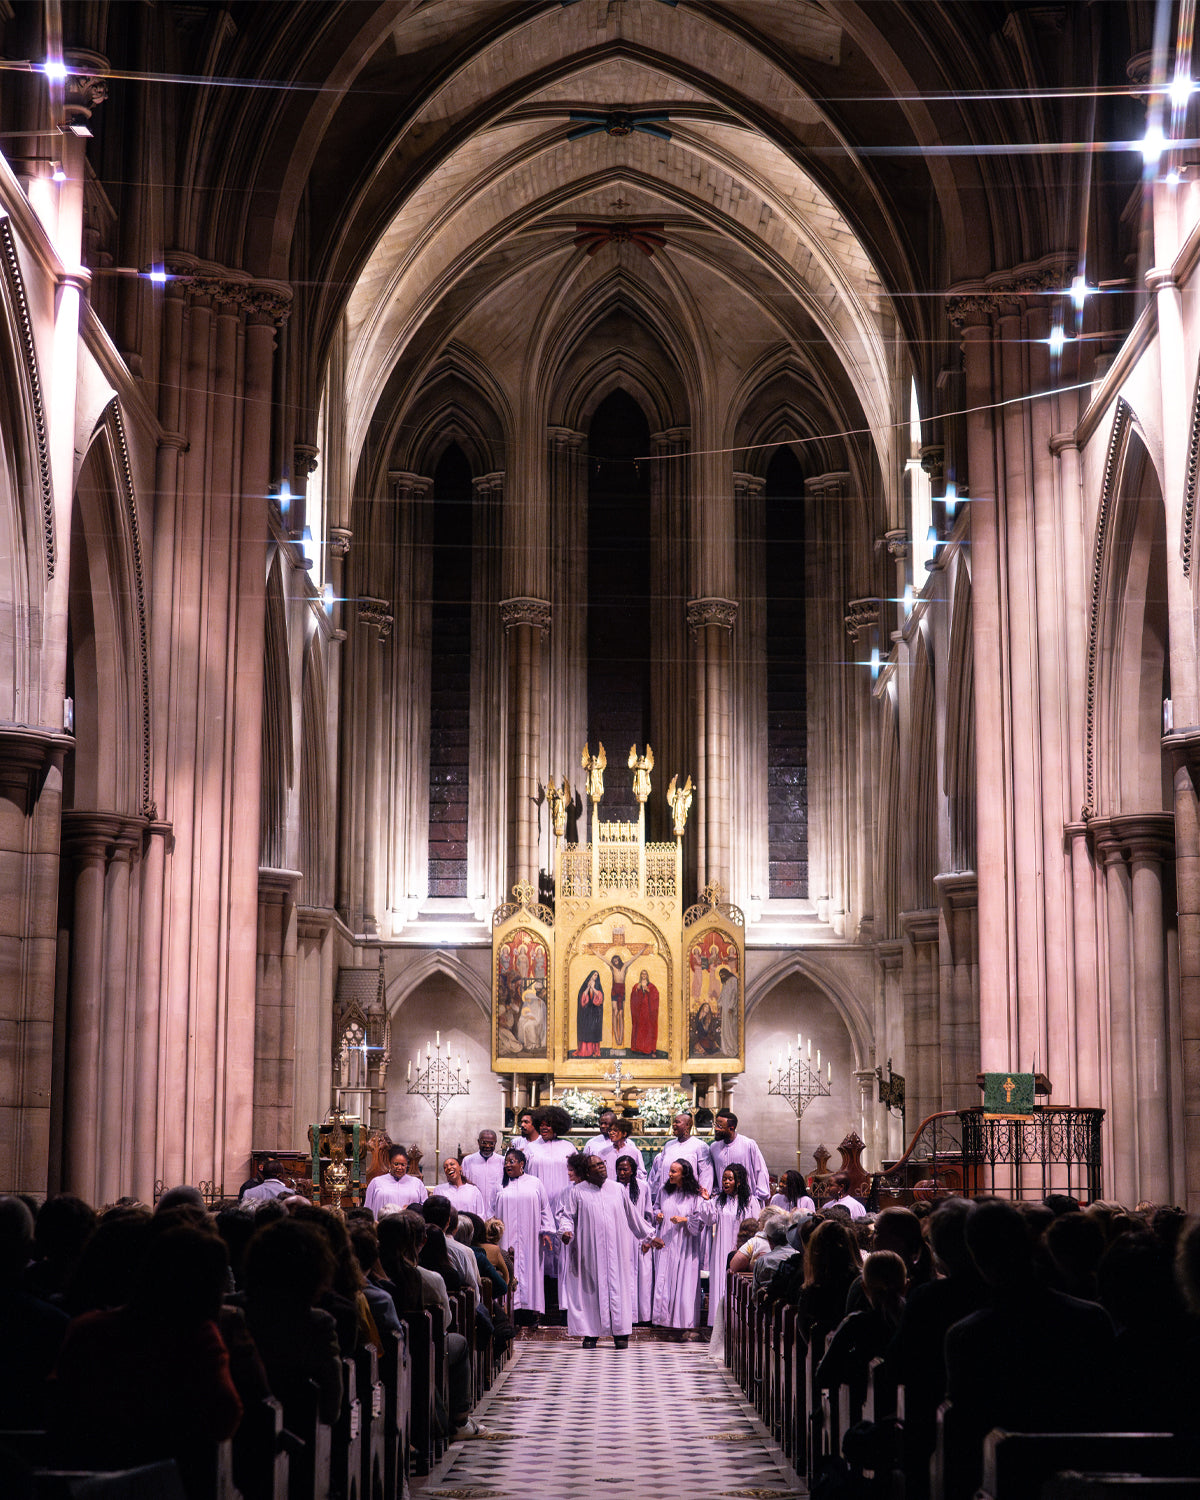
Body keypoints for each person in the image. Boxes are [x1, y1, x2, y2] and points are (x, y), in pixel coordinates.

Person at [557, 1155, 653, 1349]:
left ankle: (621, 1333)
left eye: (602, 1164)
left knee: (618, 1287)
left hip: (617, 1251)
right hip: (589, 1252)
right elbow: (566, 1216)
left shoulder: (617, 1189)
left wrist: (649, 1236)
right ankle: (591, 1333)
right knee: (590, 1290)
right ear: (587, 1172)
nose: (601, 1168)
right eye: (596, 1166)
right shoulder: (577, 1191)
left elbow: (633, 1216)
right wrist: (565, 1231)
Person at [693, 1163, 762, 1329]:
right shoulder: (719, 1201)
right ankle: (719, 1323)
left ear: (739, 1181)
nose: (726, 1182)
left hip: (744, 1249)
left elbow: (757, 1225)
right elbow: (708, 1219)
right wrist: (706, 1200)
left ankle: (739, 1324)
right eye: (724, 1178)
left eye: (730, 1179)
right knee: (721, 1283)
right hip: (722, 1250)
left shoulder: (750, 1201)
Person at [648, 1159, 706, 1331]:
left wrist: (685, 1219)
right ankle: (662, 1320)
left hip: (685, 1245)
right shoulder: (664, 1190)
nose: (670, 1174)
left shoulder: (694, 1195)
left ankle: (682, 1322)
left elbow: (700, 1219)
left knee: (683, 1280)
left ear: (684, 1174)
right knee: (664, 1279)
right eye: (670, 1171)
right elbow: (656, 1207)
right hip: (666, 1241)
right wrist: (658, 1215)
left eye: (674, 1172)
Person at [498, 1148, 555, 1321]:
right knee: (508, 1268)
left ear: (522, 1164)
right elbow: (492, 1211)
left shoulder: (535, 1183)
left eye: (511, 1161)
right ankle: (509, 1310)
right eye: (506, 1162)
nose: (508, 1165)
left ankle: (530, 1311)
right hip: (506, 1237)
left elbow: (545, 1208)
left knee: (530, 1270)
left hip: (530, 1237)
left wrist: (546, 1231)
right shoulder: (500, 1185)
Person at [525, 1105, 576, 1289]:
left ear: (558, 1126)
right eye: (542, 1124)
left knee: (563, 1245)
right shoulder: (531, 1148)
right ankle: (543, 1289)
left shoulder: (568, 1147)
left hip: (564, 1203)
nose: (544, 1128)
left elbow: (576, 1175)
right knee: (541, 1246)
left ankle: (562, 1289)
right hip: (539, 1204)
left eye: (548, 1124)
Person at [614, 1155, 655, 1324]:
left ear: (633, 1170)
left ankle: (642, 1317)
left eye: (625, 1169)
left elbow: (648, 1214)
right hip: (619, 1237)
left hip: (639, 1238)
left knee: (642, 1278)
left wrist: (647, 1240)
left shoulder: (643, 1187)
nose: (622, 1173)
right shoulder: (613, 1188)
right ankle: (622, 1315)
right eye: (619, 1169)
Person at [648, 1112, 713, 1205]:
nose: (673, 1124)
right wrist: (654, 1195)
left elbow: (706, 1174)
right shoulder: (668, 1145)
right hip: (667, 1196)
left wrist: (702, 1199)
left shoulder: (699, 1146)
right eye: (674, 1122)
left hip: (689, 1197)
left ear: (687, 1125)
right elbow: (659, 1171)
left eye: (677, 1122)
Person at [708, 1111, 769, 1202]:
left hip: (747, 1200)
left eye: (720, 1126)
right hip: (724, 1201)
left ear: (731, 1128)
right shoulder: (714, 1147)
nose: (716, 1129)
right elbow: (713, 1176)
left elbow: (760, 1170)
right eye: (715, 1125)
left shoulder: (748, 1144)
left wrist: (760, 1197)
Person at [364, 1145, 428, 1218]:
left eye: (403, 1165)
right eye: (396, 1164)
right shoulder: (376, 1182)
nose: (400, 1168)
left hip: (408, 1222)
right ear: (389, 1164)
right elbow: (367, 1207)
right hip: (383, 1222)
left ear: (407, 1165)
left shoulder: (417, 1183)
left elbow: (424, 1207)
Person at [462, 1130, 505, 1217]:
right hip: (474, 1207)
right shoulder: (468, 1160)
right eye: (484, 1143)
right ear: (478, 1142)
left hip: (495, 1208)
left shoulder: (502, 1161)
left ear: (495, 1143)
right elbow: (464, 1182)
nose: (487, 1146)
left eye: (491, 1143)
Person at [599, 1115, 646, 1183]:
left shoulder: (634, 1152)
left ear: (624, 1133)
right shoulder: (603, 1152)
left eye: (615, 1131)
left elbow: (642, 1173)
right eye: (610, 1131)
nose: (611, 1133)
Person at [629, 969, 660, 1055]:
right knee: (639, 1029)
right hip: (639, 1012)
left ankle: (647, 1048)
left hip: (648, 1012)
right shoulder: (637, 985)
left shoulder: (652, 986)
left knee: (647, 1030)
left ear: (647, 975)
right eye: (642, 974)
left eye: (645, 974)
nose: (643, 975)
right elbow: (633, 997)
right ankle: (638, 1048)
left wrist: (649, 992)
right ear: (640, 975)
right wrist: (636, 990)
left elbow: (655, 996)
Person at [575, 969, 605, 1057]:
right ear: (591, 975)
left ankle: (595, 1051)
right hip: (586, 1013)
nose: (596, 976)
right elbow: (582, 1000)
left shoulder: (598, 986)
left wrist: (593, 988)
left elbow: (600, 999)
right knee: (586, 1030)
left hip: (595, 1013)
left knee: (594, 1031)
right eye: (594, 974)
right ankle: (585, 1051)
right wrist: (588, 987)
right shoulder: (585, 985)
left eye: (597, 975)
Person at [608, 955, 628, 1047]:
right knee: (615, 1012)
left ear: (619, 960)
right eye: (614, 960)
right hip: (615, 990)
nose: (615, 961)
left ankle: (621, 1038)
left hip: (622, 991)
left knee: (621, 1014)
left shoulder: (624, 967)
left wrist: (643, 950)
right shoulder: (613, 968)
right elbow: (604, 959)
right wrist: (594, 951)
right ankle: (617, 1038)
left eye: (617, 959)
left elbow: (634, 958)